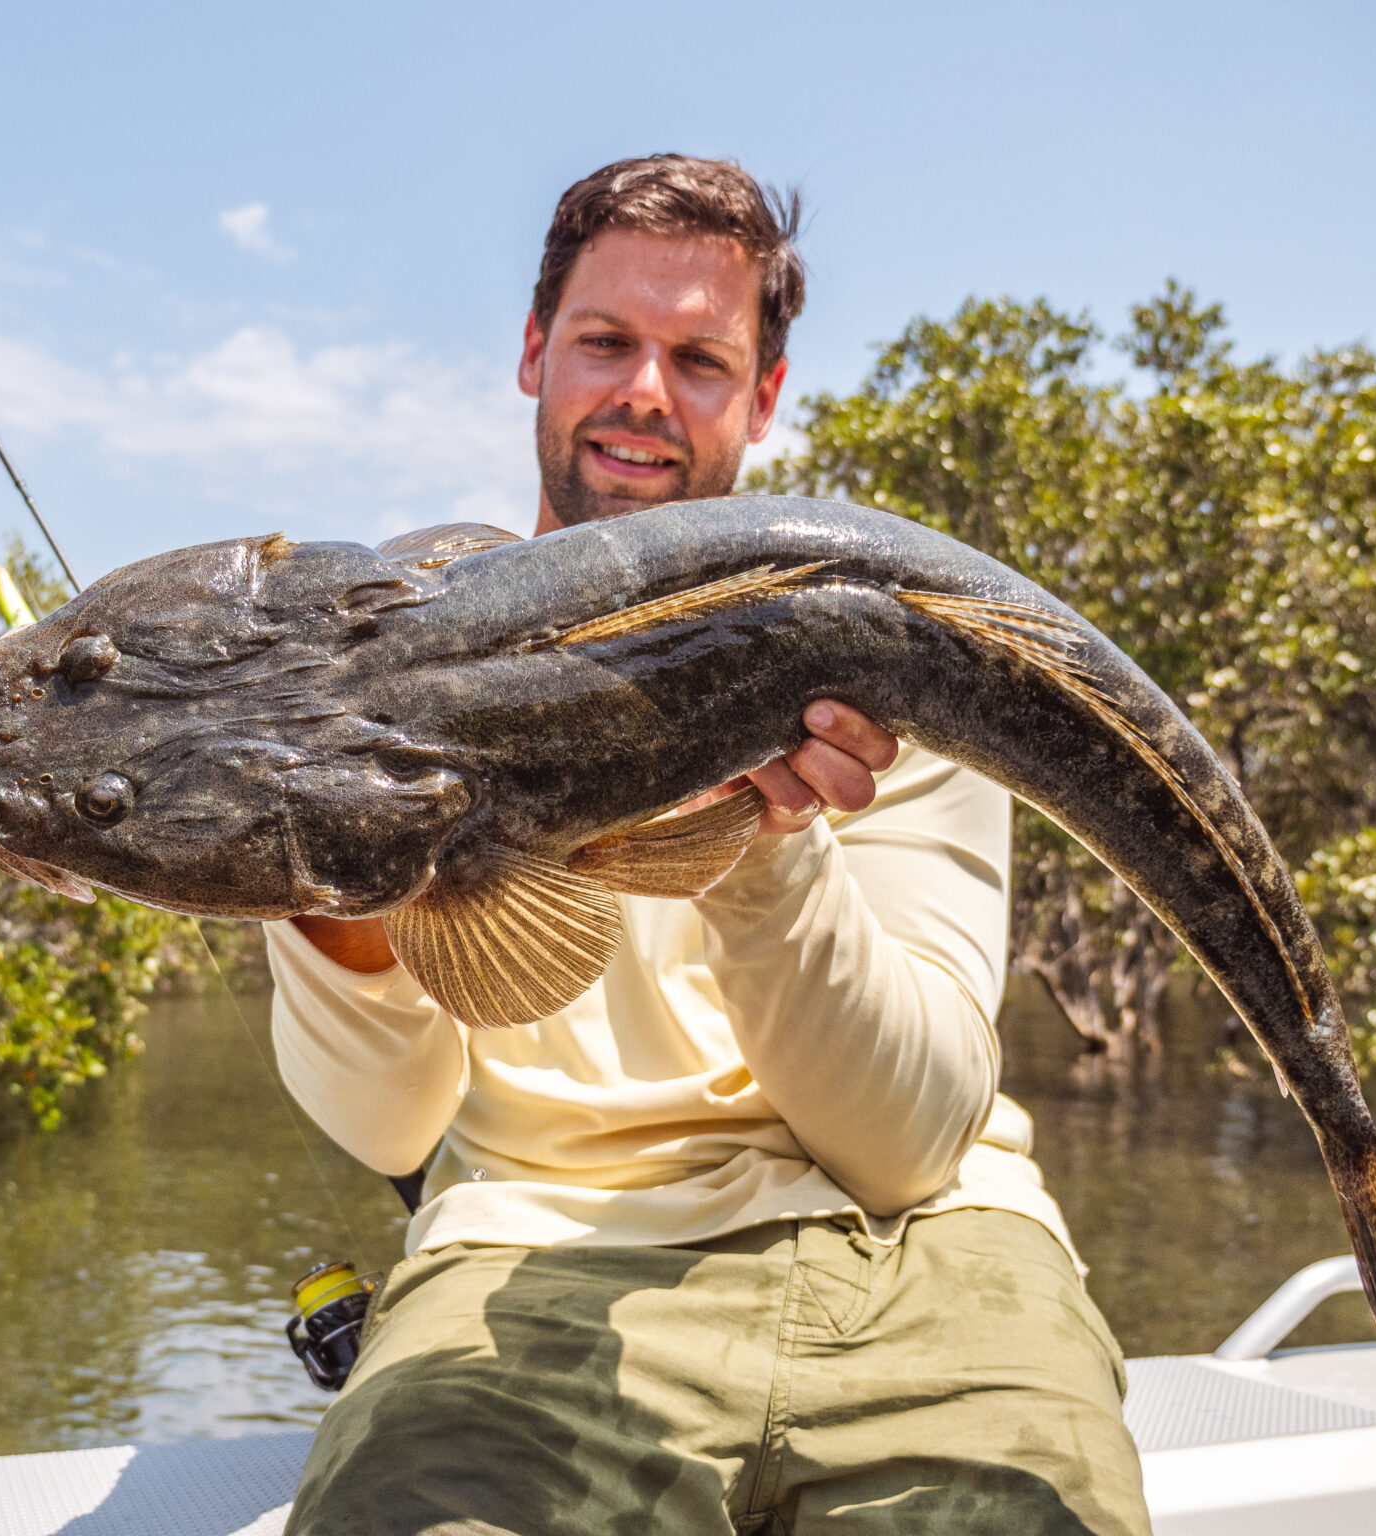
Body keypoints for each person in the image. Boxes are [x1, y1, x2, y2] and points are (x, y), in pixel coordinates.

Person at [266, 155, 1151, 1536]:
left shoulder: (884, 651)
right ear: (532, 353)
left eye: (698, 358)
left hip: (930, 1250)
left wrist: (761, 837)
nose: (643, 392)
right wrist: (335, 887)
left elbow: (911, 1146)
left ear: (765, 395)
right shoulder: (387, 679)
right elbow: (388, 1123)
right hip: (536, 1246)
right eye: (607, 341)